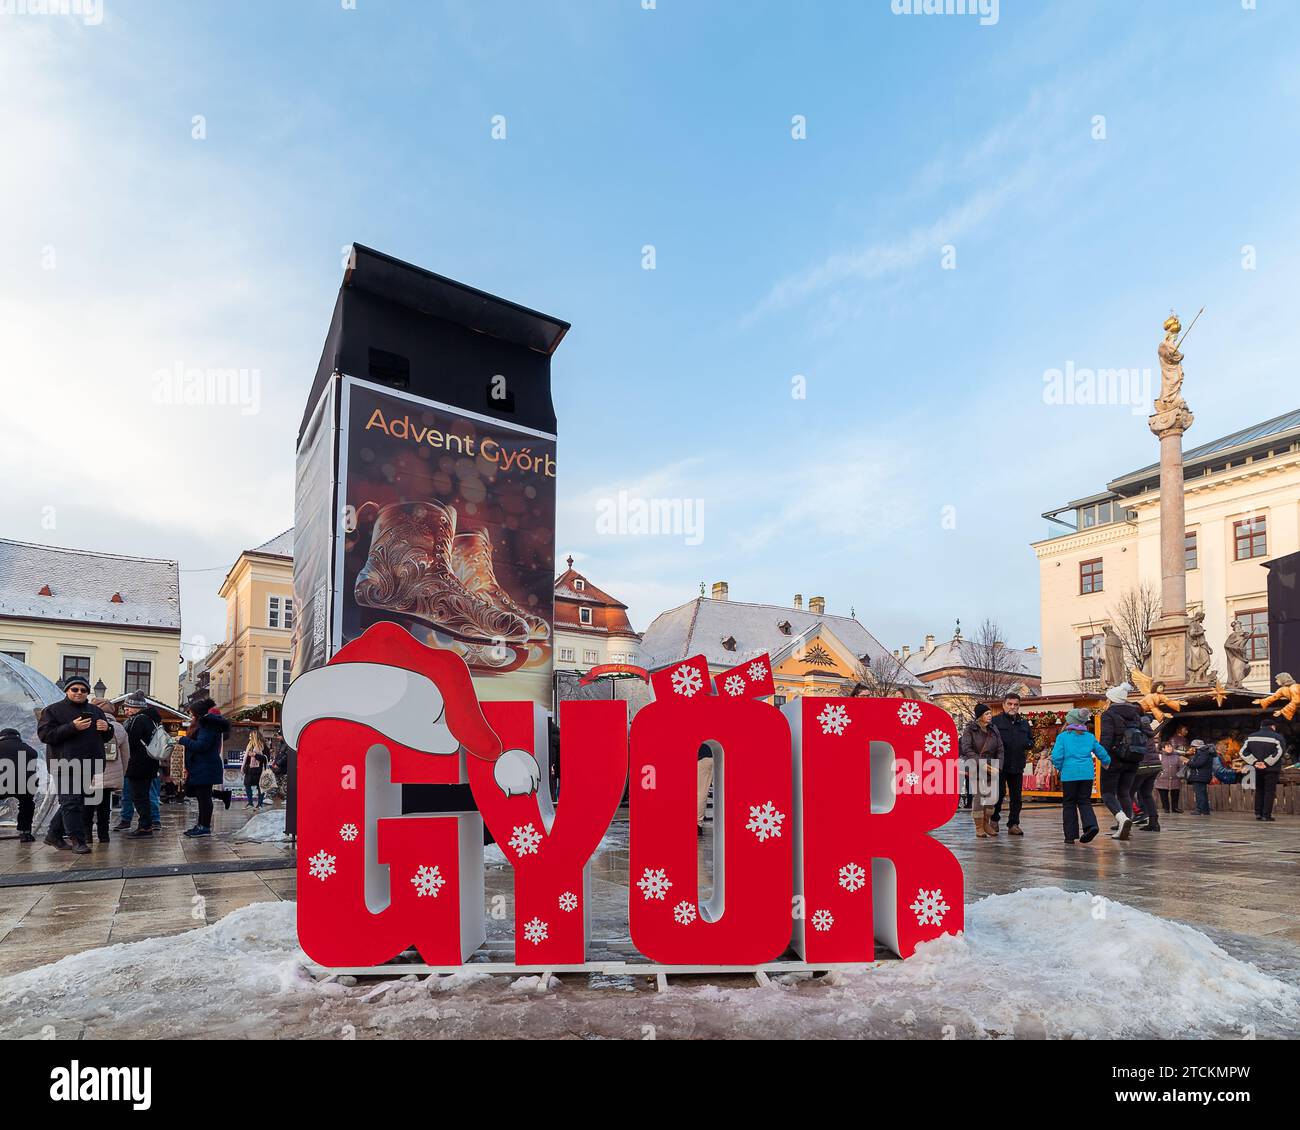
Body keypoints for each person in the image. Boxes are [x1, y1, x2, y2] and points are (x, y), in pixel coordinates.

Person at [37, 675, 114, 854]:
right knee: (71, 802)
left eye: (83, 690)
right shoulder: (53, 711)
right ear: (67, 691)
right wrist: (72, 727)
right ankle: (78, 840)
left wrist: (107, 729)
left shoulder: (96, 711)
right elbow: (45, 735)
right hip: (63, 763)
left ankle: (54, 835)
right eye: (75, 689)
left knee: (74, 802)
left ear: (87, 692)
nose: (79, 693)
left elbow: (105, 738)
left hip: (89, 764)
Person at [1051, 707, 1111, 844]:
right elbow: (1101, 751)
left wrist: (1061, 768)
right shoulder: (1090, 737)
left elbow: (1056, 756)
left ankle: (1070, 836)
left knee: (1069, 804)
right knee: (1084, 801)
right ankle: (1091, 825)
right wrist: (1107, 762)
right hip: (1087, 774)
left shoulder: (1063, 737)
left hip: (1069, 775)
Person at [178, 698, 232, 837]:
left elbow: (202, 746)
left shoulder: (207, 726)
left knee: (204, 798)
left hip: (205, 766)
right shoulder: (204, 725)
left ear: (198, 714)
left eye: (192, 714)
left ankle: (204, 826)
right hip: (201, 766)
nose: (191, 716)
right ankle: (201, 824)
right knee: (198, 794)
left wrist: (183, 740)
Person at [1099, 684, 1144, 840]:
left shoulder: (1108, 715)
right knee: (1124, 792)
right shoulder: (1135, 714)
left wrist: (1103, 758)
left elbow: (1106, 739)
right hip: (1133, 759)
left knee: (1107, 793)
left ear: (1112, 700)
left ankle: (1122, 819)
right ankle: (1125, 826)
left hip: (1114, 759)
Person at [116, 693, 163, 831]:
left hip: (138, 764)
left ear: (137, 707)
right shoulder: (151, 719)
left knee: (140, 797)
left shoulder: (138, 720)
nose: (126, 710)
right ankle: (146, 824)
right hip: (149, 763)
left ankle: (145, 826)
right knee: (143, 795)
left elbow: (131, 743)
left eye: (128, 707)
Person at [990, 693, 1033, 836]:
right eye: (1010, 704)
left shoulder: (1024, 723)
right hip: (1000, 765)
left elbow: (1030, 740)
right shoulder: (995, 722)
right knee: (998, 794)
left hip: (1017, 764)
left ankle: (1013, 824)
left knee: (1016, 797)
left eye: (1016, 704)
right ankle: (994, 820)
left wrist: (1027, 744)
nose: (1013, 707)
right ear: (1004, 705)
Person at [84, 700, 127, 843]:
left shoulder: (88, 725)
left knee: (88, 806)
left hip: (90, 772)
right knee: (104, 807)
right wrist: (122, 772)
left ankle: (87, 835)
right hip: (111, 775)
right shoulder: (119, 728)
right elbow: (126, 754)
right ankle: (104, 835)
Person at [959, 704, 1004, 838]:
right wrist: (980, 763)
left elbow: (1000, 749)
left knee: (991, 797)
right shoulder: (970, 730)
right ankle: (979, 826)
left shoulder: (994, 729)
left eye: (990, 713)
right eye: (987, 714)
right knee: (979, 796)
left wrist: (999, 766)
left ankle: (986, 823)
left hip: (992, 766)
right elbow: (966, 749)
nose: (990, 716)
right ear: (980, 716)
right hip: (977, 766)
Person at [1241, 719, 1286, 822]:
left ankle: (1258, 813)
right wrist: (1266, 763)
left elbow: (1242, 752)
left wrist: (1255, 762)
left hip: (1256, 768)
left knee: (1259, 790)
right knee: (1269, 791)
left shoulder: (1251, 737)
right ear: (1272, 727)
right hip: (1271, 769)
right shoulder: (1278, 737)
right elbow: (1280, 752)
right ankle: (1266, 815)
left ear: (1261, 726)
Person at [0, 727, 38, 842]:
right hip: (23, 784)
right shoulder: (25, 747)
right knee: (27, 804)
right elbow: (34, 754)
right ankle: (25, 833)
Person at [1131, 713, 1162, 832]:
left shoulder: (1136, 730)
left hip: (1142, 765)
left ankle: (1124, 822)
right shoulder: (1148, 730)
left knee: (1127, 793)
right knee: (1146, 793)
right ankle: (1154, 823)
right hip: (1155, 765)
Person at [1184, 738, 1214, 815]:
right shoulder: (1205, 752)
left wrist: (1188, 762)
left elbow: (1198, 764)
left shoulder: (1203, 752)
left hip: (1200, 775)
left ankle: (1199, 809)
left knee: (1199, 793)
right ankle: (1205, 810)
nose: (1192, 748)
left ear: (1196, 746)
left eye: (1193, 746)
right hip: (1202, 775)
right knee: (1203, 793)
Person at [241, 730, 269, 809]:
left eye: (250, 736)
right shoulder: (249, 745)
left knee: (260, 787)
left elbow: (266, 758)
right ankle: (250, 803)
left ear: (255, 737)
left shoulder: (263, 746)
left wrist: (255, 755)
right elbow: (246, 758)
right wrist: (244, 767)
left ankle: (259, 804)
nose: (249, 738)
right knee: (247, 785)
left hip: (259, 770)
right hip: (249, 770)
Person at [1156, 739, 1183, 814]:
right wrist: (1158, 775)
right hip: (1162, 779)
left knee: (1175, 794)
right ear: (1163, 748)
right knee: (1163, 794)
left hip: (1175, 778)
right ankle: (1166, 808)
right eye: (1167, 747)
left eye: (1170, 747)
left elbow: (1181, 767)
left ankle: (1175, 808)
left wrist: (1180, 776)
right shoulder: (1160, 756)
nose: (1170, 748)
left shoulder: (1176, 756)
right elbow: (1156, 767)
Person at [696, 743, 714, 836]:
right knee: (702, 791)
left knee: (701, 791)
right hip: (712, 755)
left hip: (705, 756)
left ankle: (697, 824)